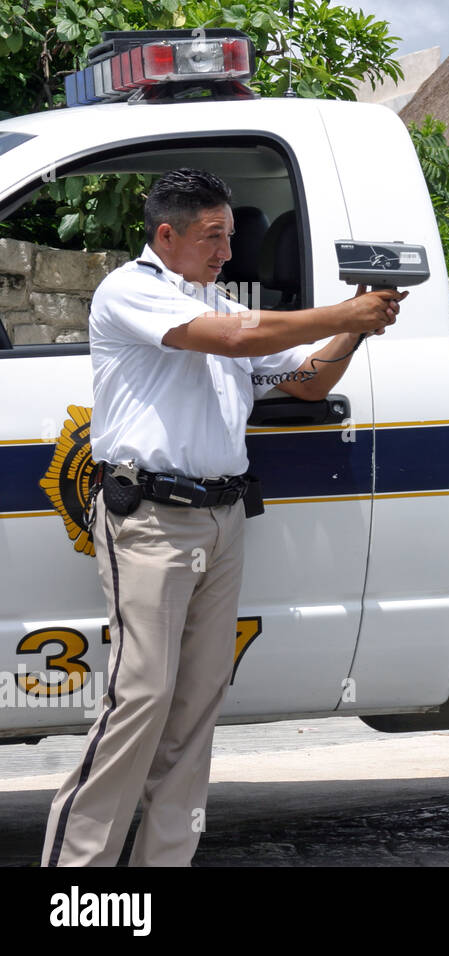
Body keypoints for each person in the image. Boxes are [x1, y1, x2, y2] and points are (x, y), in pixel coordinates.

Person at [40, 167, 404, 866]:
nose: (226, 252)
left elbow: (307, 380)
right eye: (212, 237)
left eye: (230, 237)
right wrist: (339, 316)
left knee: (197, 708)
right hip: (149, 518)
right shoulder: (132, 291)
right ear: (166, 235)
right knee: (138, 700)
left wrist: (362, 325)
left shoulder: (220, 304)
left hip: (221, 519)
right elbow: (235, 340)